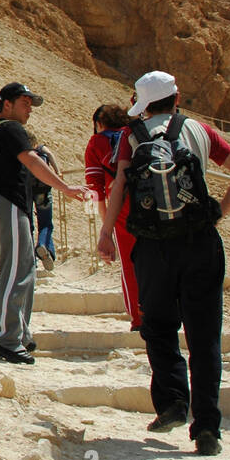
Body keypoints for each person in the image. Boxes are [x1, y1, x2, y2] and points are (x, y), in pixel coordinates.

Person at [97, 70, 230, 456]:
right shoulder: (201, 130)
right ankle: (207, 428)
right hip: (200, 242)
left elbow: (119, 184)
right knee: (204, 336)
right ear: (177, 97)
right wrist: (218, 213)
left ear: (144, 104)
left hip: (152, 245)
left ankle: (171, 404)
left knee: (158, 326)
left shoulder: (133, 136)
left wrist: (105, 233)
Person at [0, 82, 94, 364]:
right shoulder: (11, 129)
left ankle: (18, 332)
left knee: (23, 269)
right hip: (8, 205)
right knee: (16, 272)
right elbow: (31, 161)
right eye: (24, 102)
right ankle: (6, 338)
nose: (29, 108)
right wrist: (65, 187)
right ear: (5, 103)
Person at [86, 104, 140, 329]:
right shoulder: (137, 134)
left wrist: (106, 227)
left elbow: (96, 189)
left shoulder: (97, 142)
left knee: (130, 263)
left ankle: (138, 317)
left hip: (122, 206)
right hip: (152, 200)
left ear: (99, 123)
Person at [31, 139, 59, 270]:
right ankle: (42, 245)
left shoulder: (24, 152)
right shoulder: (41, 148)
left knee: (28, 226)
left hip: (28, 191)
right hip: (44, 190)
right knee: (46, 224)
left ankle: (36, 259)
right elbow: (50, 155)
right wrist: (57, 171)